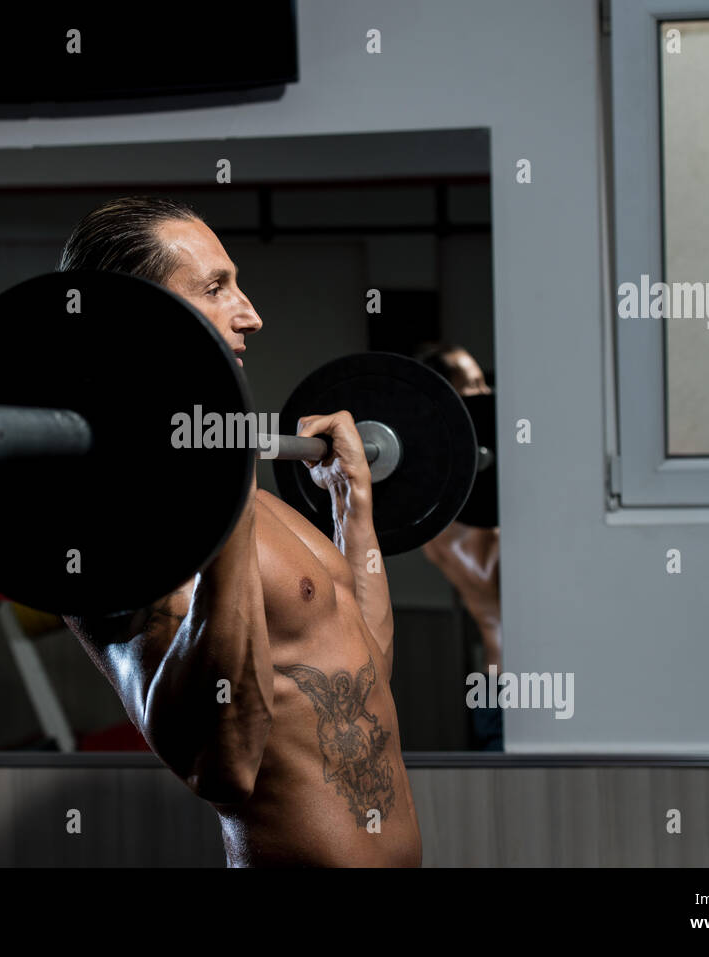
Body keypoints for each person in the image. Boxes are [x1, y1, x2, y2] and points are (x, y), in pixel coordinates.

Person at [58, 196, 422, 866]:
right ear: (140, 318)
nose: (250, 312)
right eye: (216, 288)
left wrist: (353, 511)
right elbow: (220, 764)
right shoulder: (119, 522)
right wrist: (221, 488)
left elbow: (366, 679)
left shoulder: (262, 503)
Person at [415, 344, 503, 751]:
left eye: (484, 381)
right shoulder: (447, 511)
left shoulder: (485, 489)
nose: (486, 393)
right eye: (472, 385)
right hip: (506, 684)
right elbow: (492, 577)